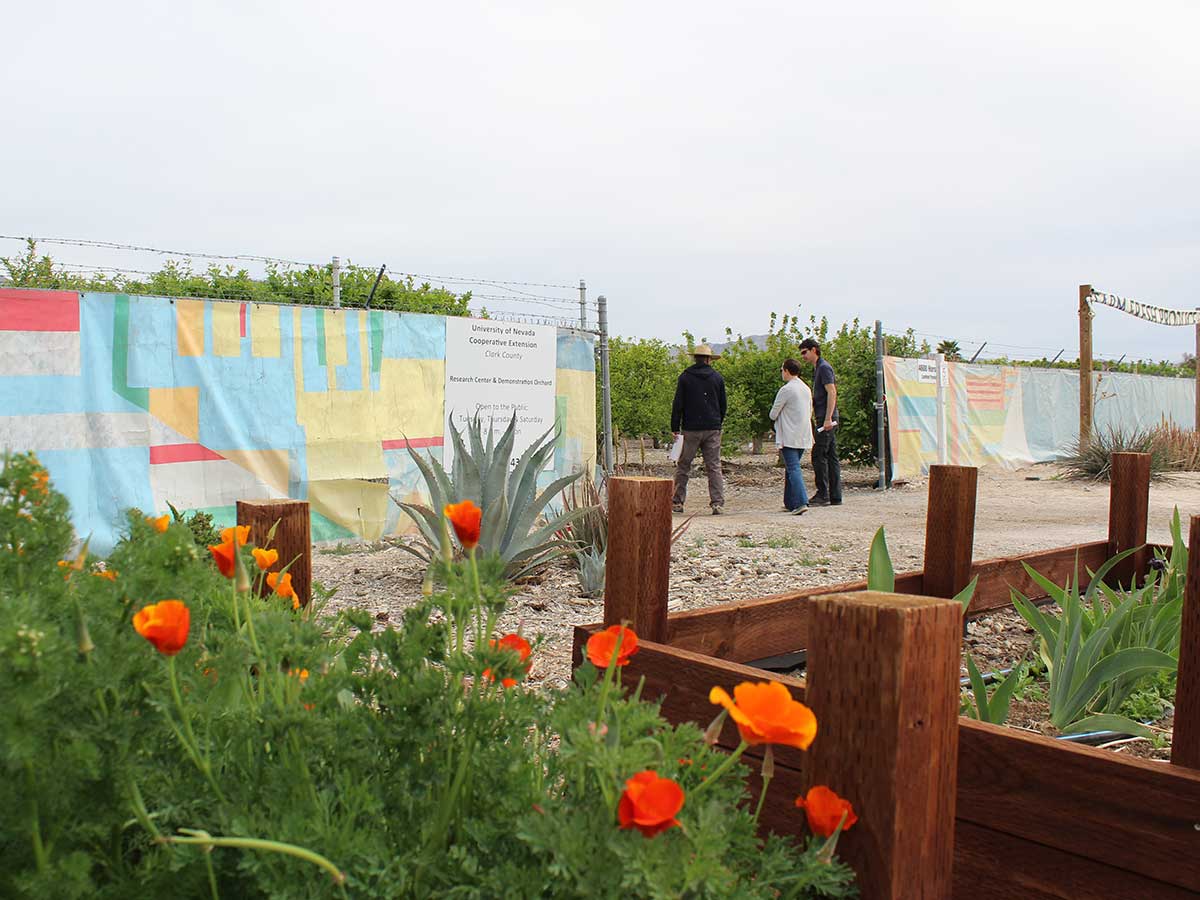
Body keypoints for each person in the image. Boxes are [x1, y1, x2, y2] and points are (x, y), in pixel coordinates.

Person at [670, 343, 727, 515]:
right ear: (709, 359)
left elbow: (678, 403)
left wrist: (675, 427)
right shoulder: (717, 378)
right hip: (712, 427)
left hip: (691, 428)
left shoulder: (685, 377)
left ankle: (677, 502)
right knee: (714, 466)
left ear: (695, 358)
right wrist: (718, 422)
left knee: (683, 466)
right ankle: (717, 503)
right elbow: (723, 405)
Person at [799, 338, 842, 506]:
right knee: (831, 456)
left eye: (805, 352)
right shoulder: (818, 368)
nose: (803, 356)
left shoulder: (823, 368)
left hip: (826, 418)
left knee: (819, 455)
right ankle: (835, 495)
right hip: (825, 417)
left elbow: (832, 392)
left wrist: (827, 418)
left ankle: (823, 493)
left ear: (814, 350)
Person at [769, 358, 814, 514]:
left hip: (789, 434)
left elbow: (773, 413)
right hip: (803, 434)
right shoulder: (806, 388)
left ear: (787, 371)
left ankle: (801, 501)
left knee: (793, 468)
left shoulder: (786, 390)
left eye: (782, 370)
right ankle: (790, 502)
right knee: (791, 468)